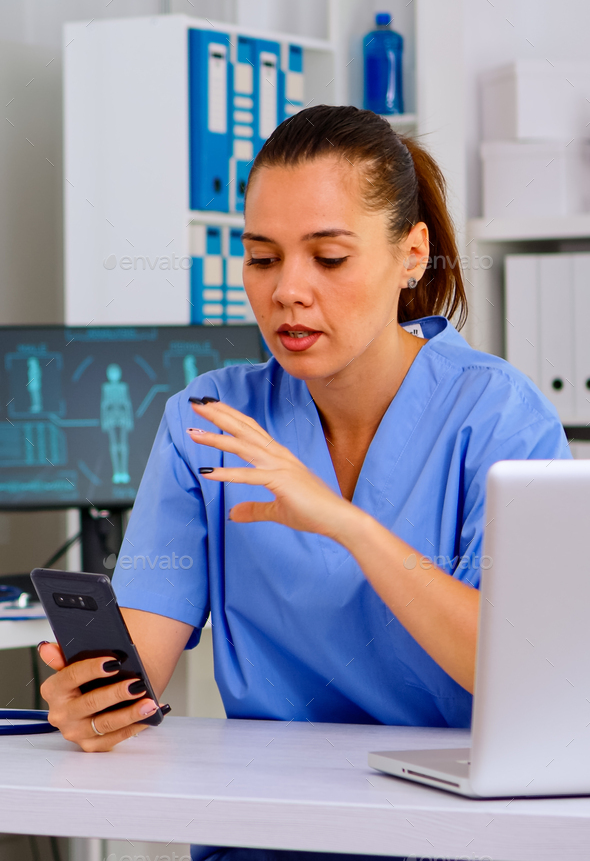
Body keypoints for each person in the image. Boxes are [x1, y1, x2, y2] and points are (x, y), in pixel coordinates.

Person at [39, 106, 570, 861]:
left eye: (328, 258)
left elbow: (520, 669)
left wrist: (345, 522)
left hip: (454, 838)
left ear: (411, 254)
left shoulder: (497, 418)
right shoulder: (207, 420)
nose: (288, 290)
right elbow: (138, 669)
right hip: (266, 838)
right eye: (262, 257)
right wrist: (94, 700)